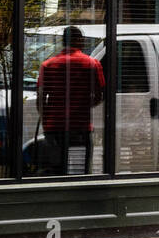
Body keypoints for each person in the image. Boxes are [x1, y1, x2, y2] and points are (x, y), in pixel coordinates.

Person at [34, 25, 105, 175]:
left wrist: (46, 119)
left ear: (63, 41)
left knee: (56, 170)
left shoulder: (47, 65)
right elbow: (99, 95)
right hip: (80, 125)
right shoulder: (92, 64)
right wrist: (83, 106)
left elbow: (40, 98)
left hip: (54, 126)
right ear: (79, 41)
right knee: (82, 169)